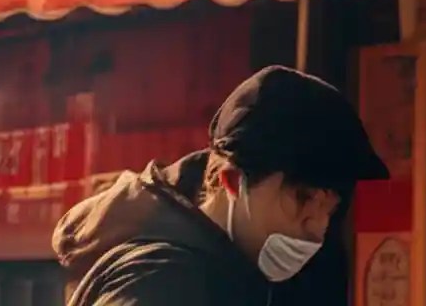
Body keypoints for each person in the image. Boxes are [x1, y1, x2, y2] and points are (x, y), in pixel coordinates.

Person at [52, 65, 390, 305]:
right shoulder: (163, 282)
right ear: (232, 180)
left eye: (330, 209)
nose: (317, 229)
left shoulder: (244, 273)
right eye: (302, 199)